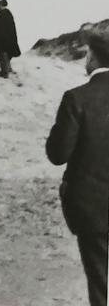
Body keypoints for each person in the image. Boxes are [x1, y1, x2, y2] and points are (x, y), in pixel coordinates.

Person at [46, 23, 109, 306]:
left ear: (93, 58)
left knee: (100, 280)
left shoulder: (76, 98)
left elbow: (58, 154)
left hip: (92, 207)